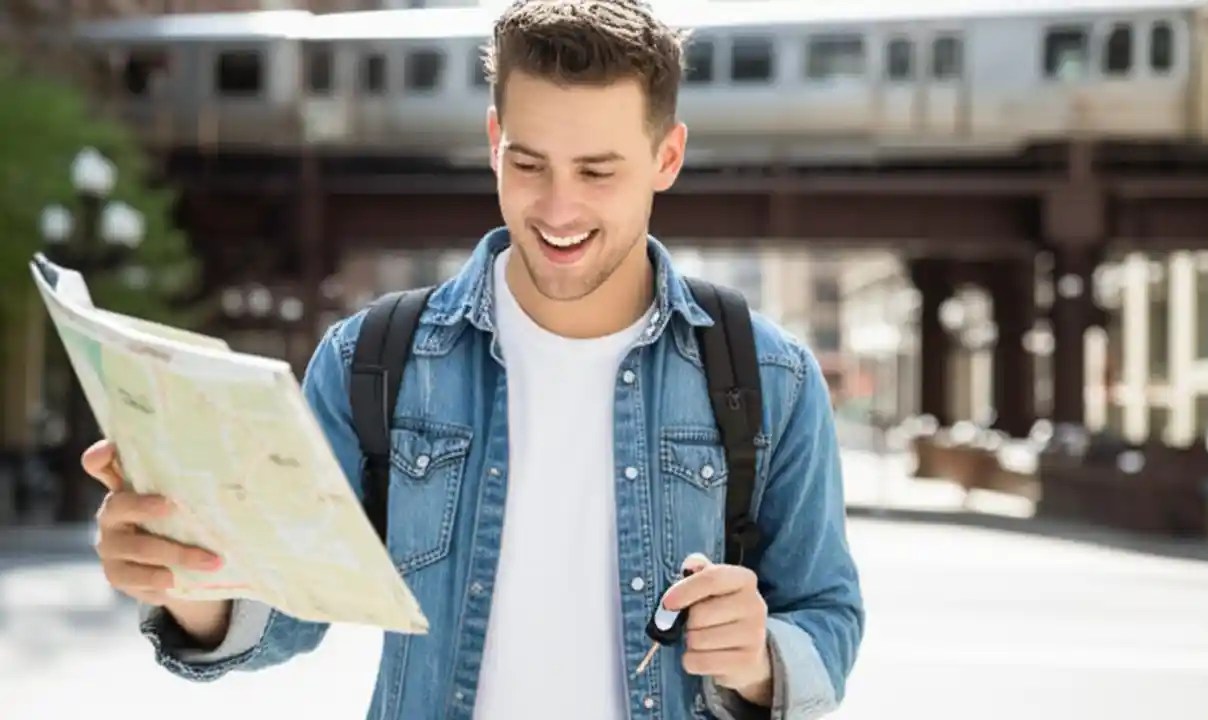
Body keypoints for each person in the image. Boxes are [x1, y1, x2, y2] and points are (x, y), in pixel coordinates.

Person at [81, 1, 864, 717]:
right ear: (493, 143)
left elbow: (826, 614)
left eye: (598, 171)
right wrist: (187, 578)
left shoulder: (771, 377)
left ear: (667, 158)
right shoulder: (372, 360)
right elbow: (286, 609)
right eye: (528, 164)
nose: (559, 209)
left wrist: (758, 659)